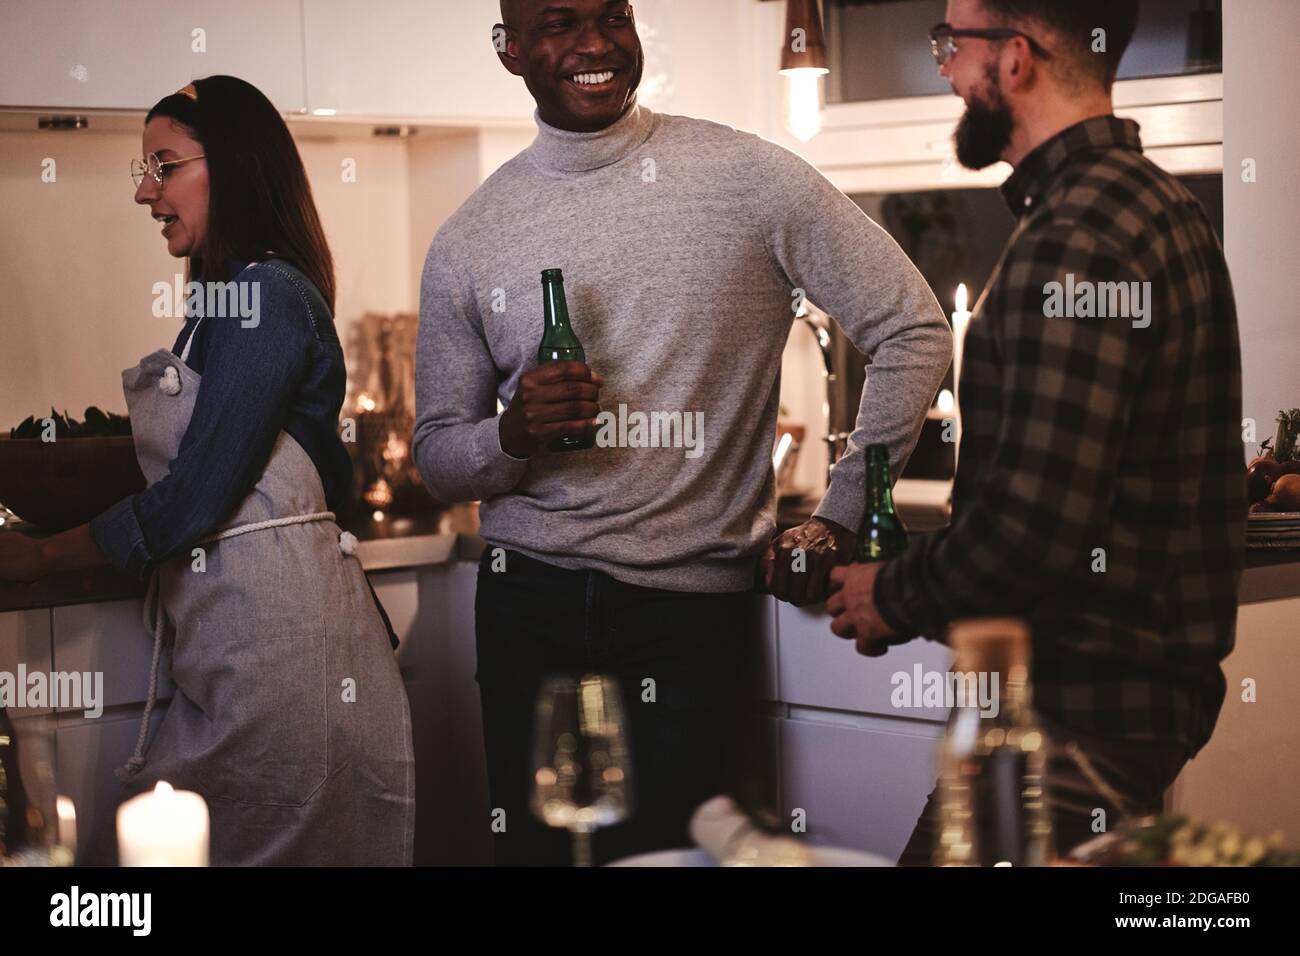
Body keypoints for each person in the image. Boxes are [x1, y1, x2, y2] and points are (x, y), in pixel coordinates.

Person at [414, 0, 951, 865]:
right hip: (525, 607)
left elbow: (913, 328)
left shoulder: (748, 178)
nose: (593, 44)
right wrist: (511, 437)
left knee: (691, 858)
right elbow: (437, 455)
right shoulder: (470, 236)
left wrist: (841, 510)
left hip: (689, 615)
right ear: (510, 50)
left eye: (611, 16)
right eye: (557, 23)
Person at [826, 0, 1246, 863]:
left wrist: (889, 593)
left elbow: (1034, 528)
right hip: (1126, 708)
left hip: (1072, 716)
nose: (943, 67)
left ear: (1014, 59)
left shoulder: (1075, 237)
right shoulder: (1160, 208)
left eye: (953, 43)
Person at [0, 76, 415, 866]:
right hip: (240, 642)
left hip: (286, 651)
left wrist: (35, 555)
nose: (145, 194)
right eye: (143, 171)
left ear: (231, 165)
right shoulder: (224, 306)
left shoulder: (268, 296)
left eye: (164, 166)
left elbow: (196, 493)